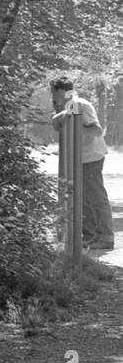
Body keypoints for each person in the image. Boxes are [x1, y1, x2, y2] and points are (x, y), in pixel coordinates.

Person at [50, 77, 113, 251]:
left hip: (91, 158)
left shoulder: (80, 104)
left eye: (53, 92)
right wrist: (62, 116)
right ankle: (91, 236)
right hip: (81, 158)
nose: (53, 96)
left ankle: (106, 237)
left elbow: (97, 130)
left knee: (96, 197)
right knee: (83, 199)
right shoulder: (70, 106)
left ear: (61, 90)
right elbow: (57, 124)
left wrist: (74, 125)